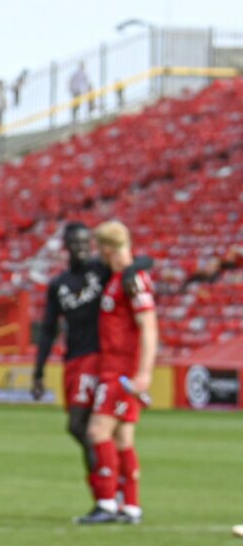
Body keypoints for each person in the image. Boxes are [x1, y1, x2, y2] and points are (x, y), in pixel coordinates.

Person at [77, 220, 158, 525]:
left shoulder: (134, 279)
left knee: (97, 432)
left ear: (108, 248)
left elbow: (149, 326)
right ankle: (132, 506)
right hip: (113, 368)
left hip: (121, 372)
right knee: (123, 438)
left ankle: (108, 503)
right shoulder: (119, 277)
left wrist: (143, 373)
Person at [32, 221, 104, 489]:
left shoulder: (102, 270)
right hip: (73, 359)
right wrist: (38, 371)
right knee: (82, 428)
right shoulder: (59, 285)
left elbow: (138, 261)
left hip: (97, 357)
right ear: (66, 247)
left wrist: (133, 271)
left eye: (86, 243)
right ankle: (102, 492)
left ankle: (107, 488)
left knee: (79, 425)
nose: (81, 248)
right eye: (76, 243)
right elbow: (49, 330)